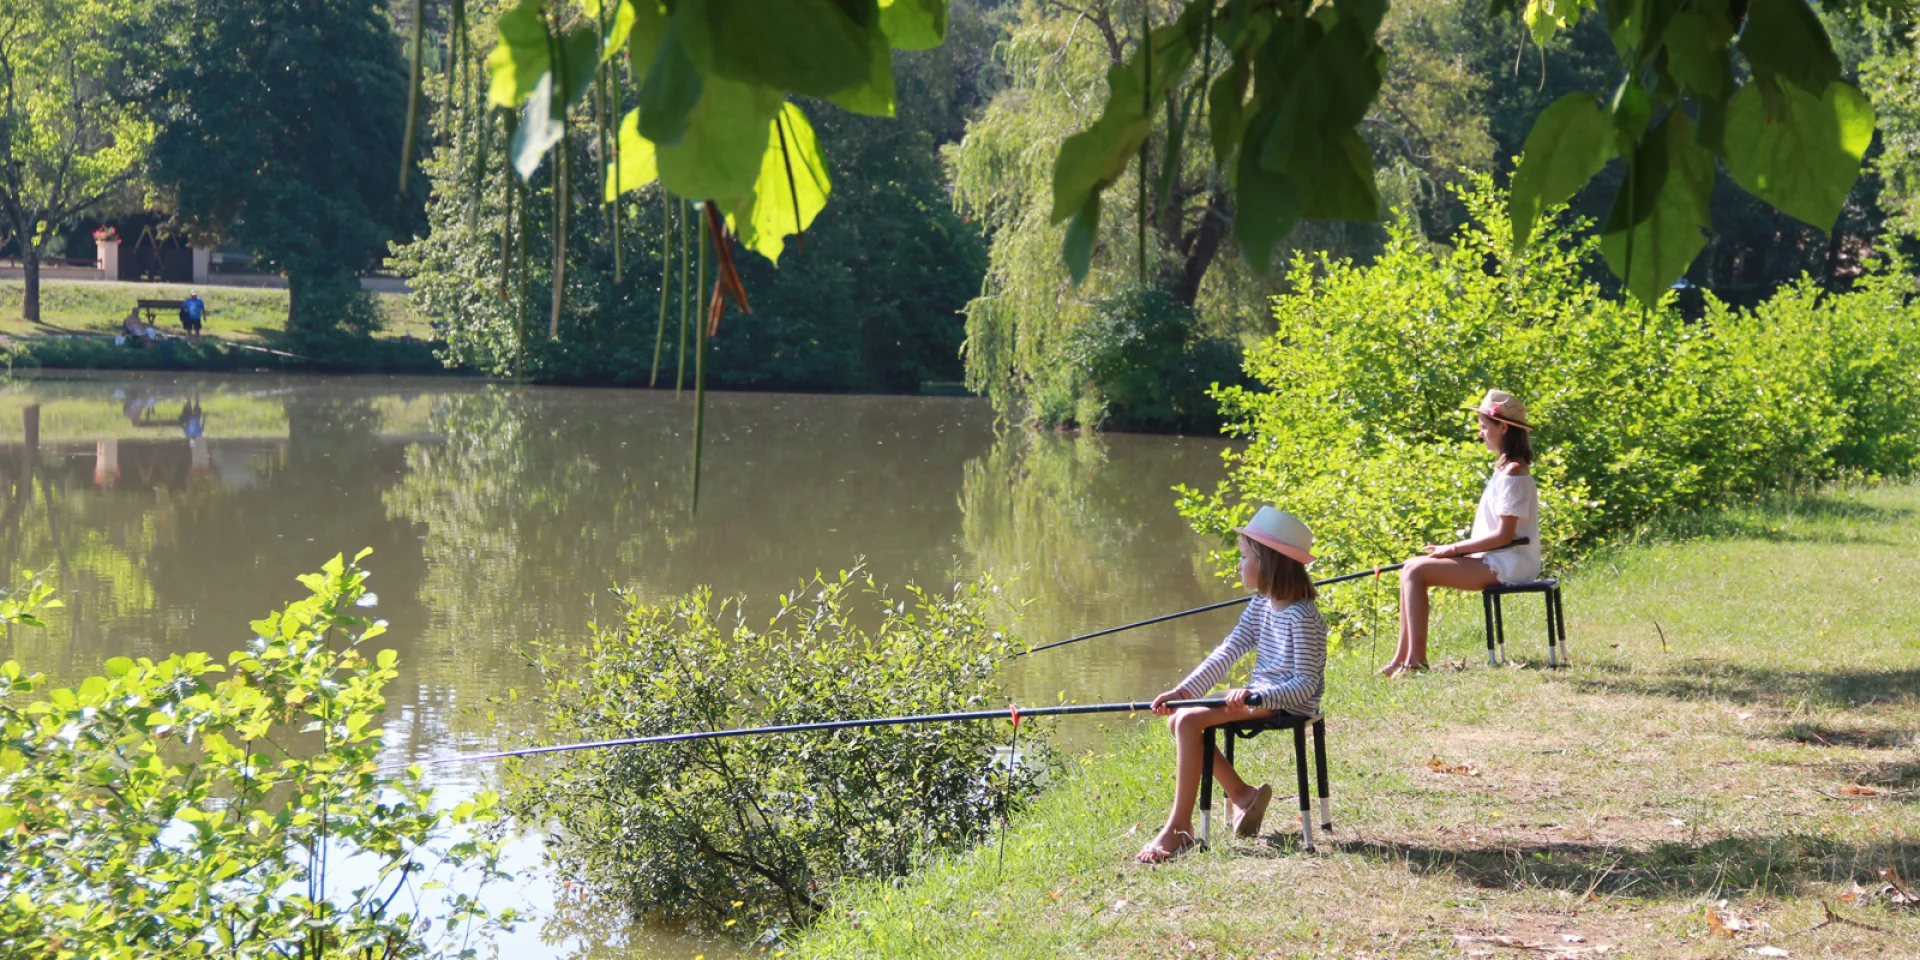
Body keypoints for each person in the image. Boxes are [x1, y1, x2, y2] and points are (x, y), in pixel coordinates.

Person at [1134, 507, 1329, 864]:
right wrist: (1183, 693)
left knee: (1191, 722)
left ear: (1269, 562)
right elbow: (1230, 649)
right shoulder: (1262, 605)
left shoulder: (1302, 616)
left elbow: (1305, 684)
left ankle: (1180, 828)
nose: (1239, 565)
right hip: (1260, 694)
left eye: (1244, 557)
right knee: (1178, 717)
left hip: (1288, 701)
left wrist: (1257, 695)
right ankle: (1242, 795)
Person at [1378, 389, 1540, 678]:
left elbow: (1504, 536)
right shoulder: (1504, 469)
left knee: (1416, 572)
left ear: (1503, 427)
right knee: (1410, 567)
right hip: (1495, 558)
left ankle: (1416, 661)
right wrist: (1452, 548)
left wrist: (1453, 549)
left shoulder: (1515, 472)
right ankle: (1401, 658)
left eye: (1483, 427)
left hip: (1510, 563)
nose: (1480, 434)